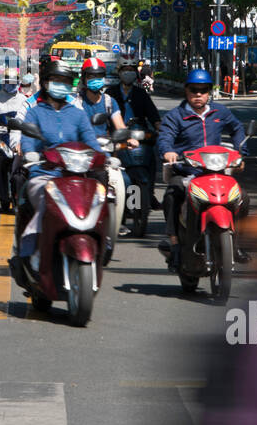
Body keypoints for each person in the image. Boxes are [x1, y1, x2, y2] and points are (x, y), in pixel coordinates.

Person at [156, 68, 249, 271]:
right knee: (172, 194)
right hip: (187, 173)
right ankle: (175, 245)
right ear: (186, 91)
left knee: (242, 197)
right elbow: (165, 137)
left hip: (216, 173)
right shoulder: (175, 116)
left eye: (203, 90)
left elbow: (237, 129)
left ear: (209, 92)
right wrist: (168, 152)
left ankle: (236, 244)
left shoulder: (220, 112)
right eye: (193, 90)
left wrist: (242, 152)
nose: (198, 94)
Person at [14, 59, 101, 272]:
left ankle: (102, 239)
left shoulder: (78, 114)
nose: (60, 84)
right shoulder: (34, 111)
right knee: (48, 199)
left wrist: (104, 157)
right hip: (43, 175)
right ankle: (32, 245)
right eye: (56, 80)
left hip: (76, 177)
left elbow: (91, 142)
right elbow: (27, 140)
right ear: (45, 83)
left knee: (100, 197)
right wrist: (30, 152)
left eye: (65, 81)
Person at [72, 58, 138, 238]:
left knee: (123, 180)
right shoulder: (76, 102)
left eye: (99, 76)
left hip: (105, 154)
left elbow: (120, 126)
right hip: (81, 154)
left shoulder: (110, 102)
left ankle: (119, 220)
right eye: (91, 76)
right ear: (84, 78)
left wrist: (129, 138)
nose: (95, 79)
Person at [108, 57, 160, 133]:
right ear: (119, 72)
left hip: (139, 133)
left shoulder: (141, 93)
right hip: (116, 136)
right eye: (125, 70)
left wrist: (160, 128)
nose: (128, 72)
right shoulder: (111, 93)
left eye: (131, 70)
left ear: (136, 73)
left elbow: (153, 115)